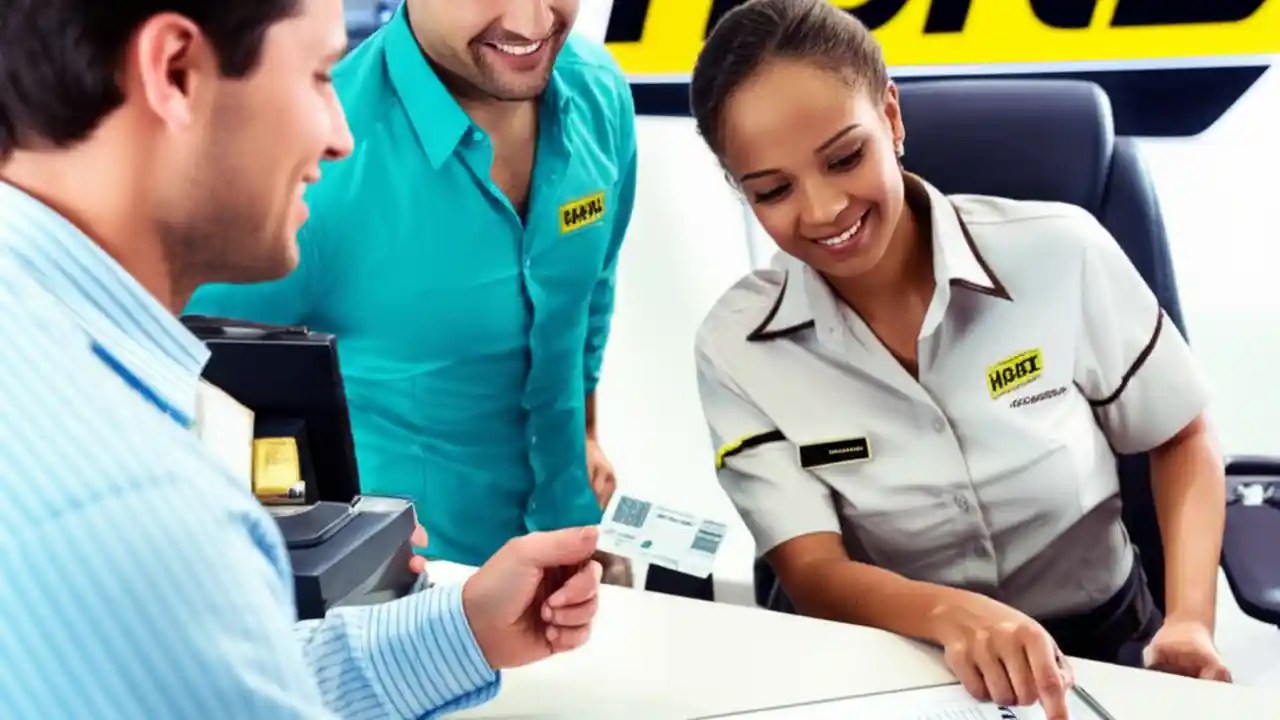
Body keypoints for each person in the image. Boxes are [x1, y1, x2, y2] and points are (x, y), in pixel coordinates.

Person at [0, 2, 603, 718]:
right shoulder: (137, 513)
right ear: (176, 72)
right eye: (319, 75)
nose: (339, 135)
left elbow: (205, 680)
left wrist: (458, 631)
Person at [688, 0, 1232, 716]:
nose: (820, 211)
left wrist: (1189, 618)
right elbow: (811, 570)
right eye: (773, 190)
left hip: (1107, 643)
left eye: (844, 158)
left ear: (891, 116)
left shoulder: (1060, 251)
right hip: (896, 660)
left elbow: (1180, 433)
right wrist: (954, 617)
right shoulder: (736, 345)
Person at [184, 0, 638, 574]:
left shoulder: (601, 96)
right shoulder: (313, 152)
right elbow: (200, 387)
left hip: (569, 550)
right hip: (406, 595)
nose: (531, 22)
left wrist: (585, 438)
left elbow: (591, 291)